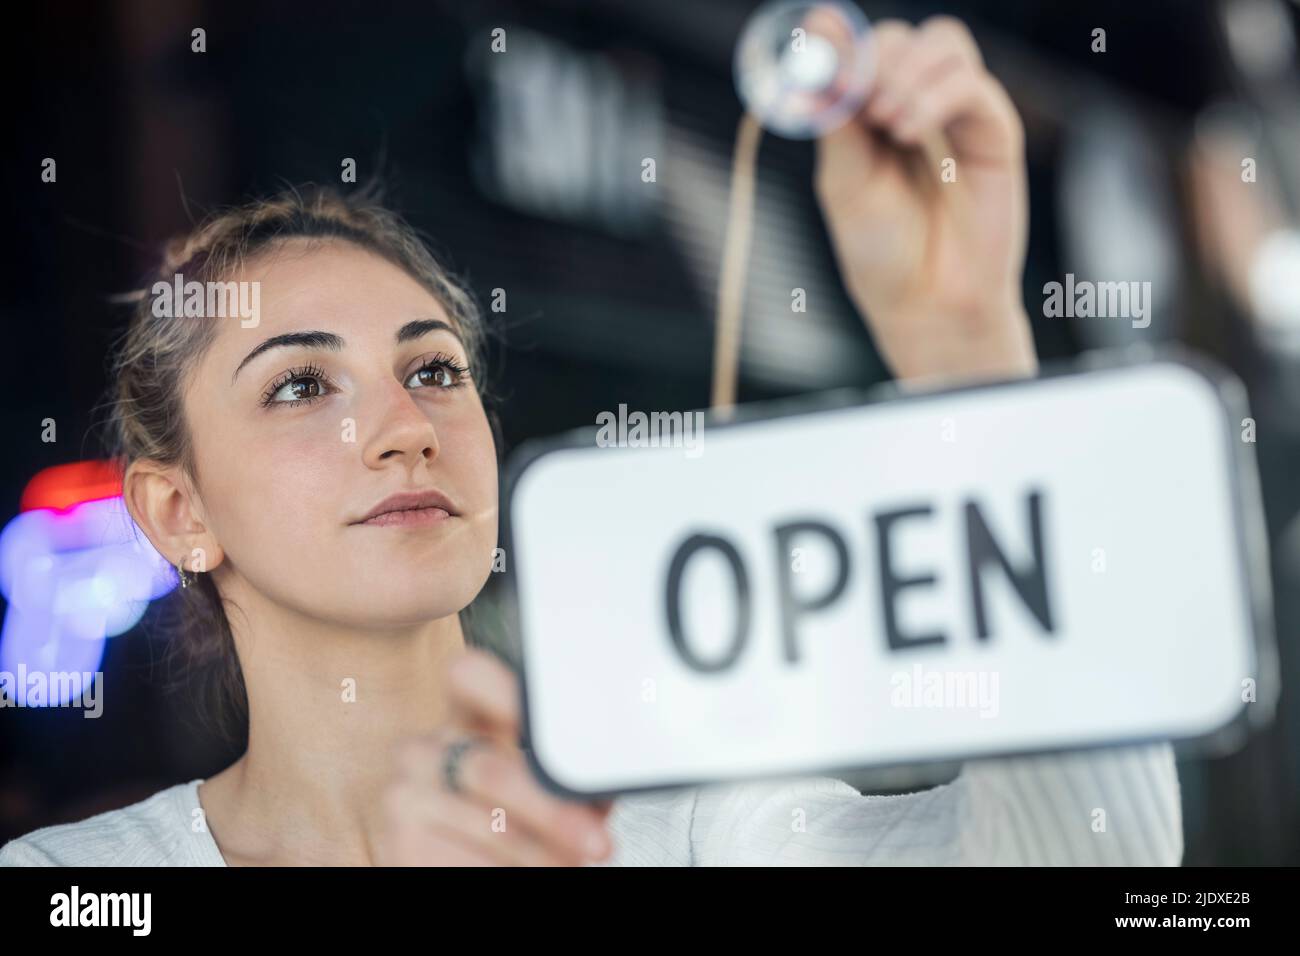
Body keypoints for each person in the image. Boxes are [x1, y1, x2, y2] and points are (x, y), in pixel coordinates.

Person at [0, 17, 1180, 866]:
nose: (405, 427)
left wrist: (965, 342)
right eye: (303, 383)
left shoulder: (700, 819)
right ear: (175, 512)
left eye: (432, 369)